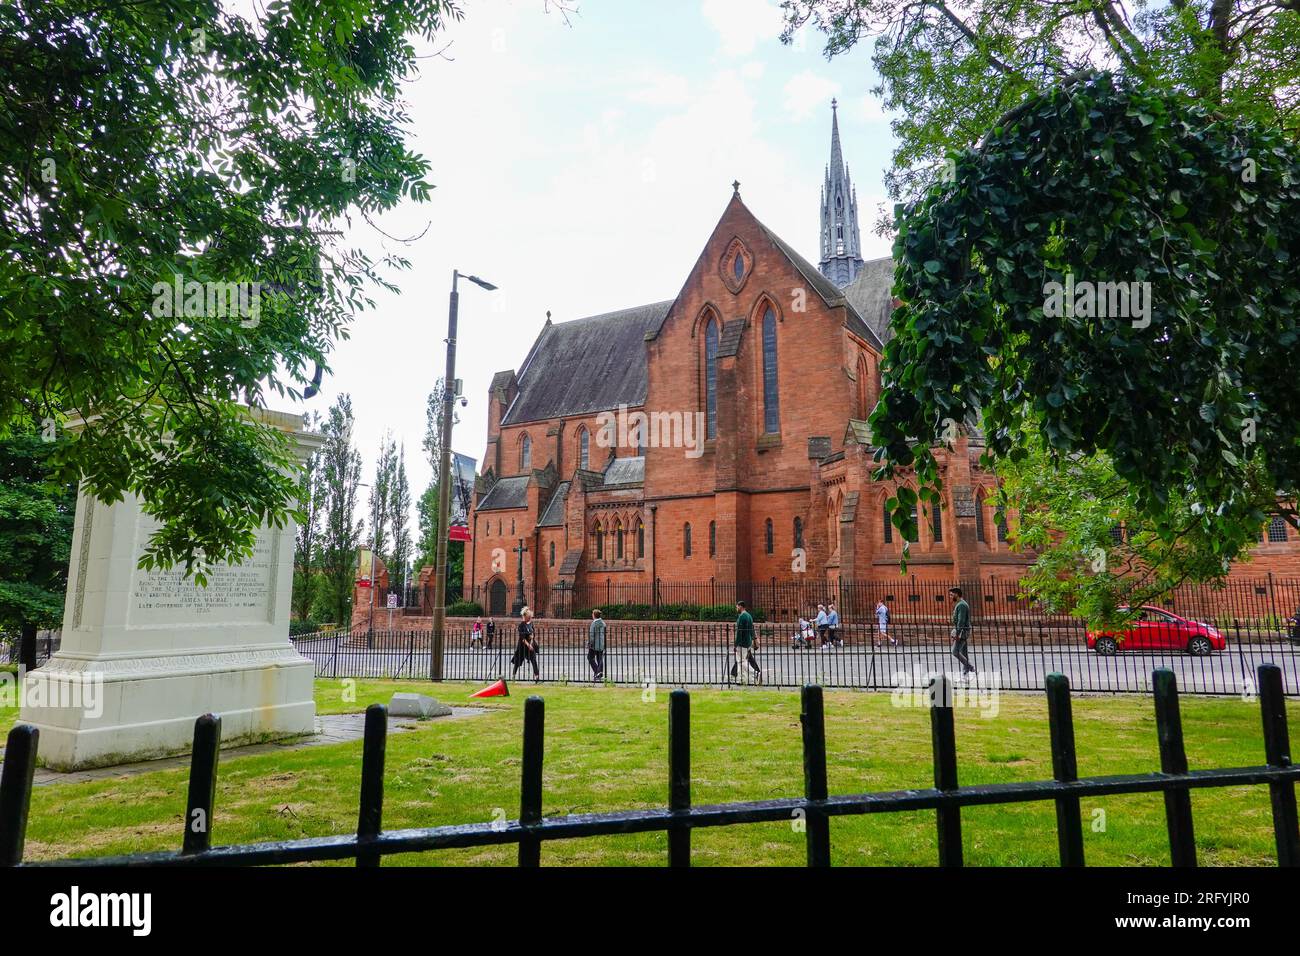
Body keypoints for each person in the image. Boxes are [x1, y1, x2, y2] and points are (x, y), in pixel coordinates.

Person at [949, 587, 974, 679]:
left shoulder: (961, 605)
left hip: (962, 631)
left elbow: (961, 621)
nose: (950, 596)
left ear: (956, 594)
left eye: (951, 594)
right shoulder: (960, 604)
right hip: (963, 630)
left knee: (955, 652)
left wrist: (957, 633)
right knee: (964, 652)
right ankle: (965, 672)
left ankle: (971, 668)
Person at [730, 600, 757, 685]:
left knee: (741, 661)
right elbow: (752, 629)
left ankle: (755, 673)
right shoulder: (749, 616)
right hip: (748, 641)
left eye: (737, 606)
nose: (736, 608)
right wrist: (753, 639)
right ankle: (741, 679)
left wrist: (736, 644)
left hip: (742, 643)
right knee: (740, 661)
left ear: (740, 606)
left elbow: (739, 632)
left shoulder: (742, 616)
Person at [511, 607, 540, 680]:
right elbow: (522, 638)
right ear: (525, 616)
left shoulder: (531, 624)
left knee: (533, 660)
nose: (530, 618)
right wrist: (528, 645)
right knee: (518, 662)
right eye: (529, 617)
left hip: (530, 645)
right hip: (522, 646)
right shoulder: (521, 625)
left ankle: (537, 676)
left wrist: (532, 640)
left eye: (530, 617)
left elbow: (533, 634)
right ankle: (513, 675)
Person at [587, 609, 606, 681]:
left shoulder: (594, 623)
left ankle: (597, 672)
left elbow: (592, 635)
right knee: (600, 659)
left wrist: (590, 643)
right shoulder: (603, 623)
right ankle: (600, 673)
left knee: (590, 657)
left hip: (594, 645)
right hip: (601, 644)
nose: (592, 615)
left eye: (592, 614)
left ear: (594, 615)